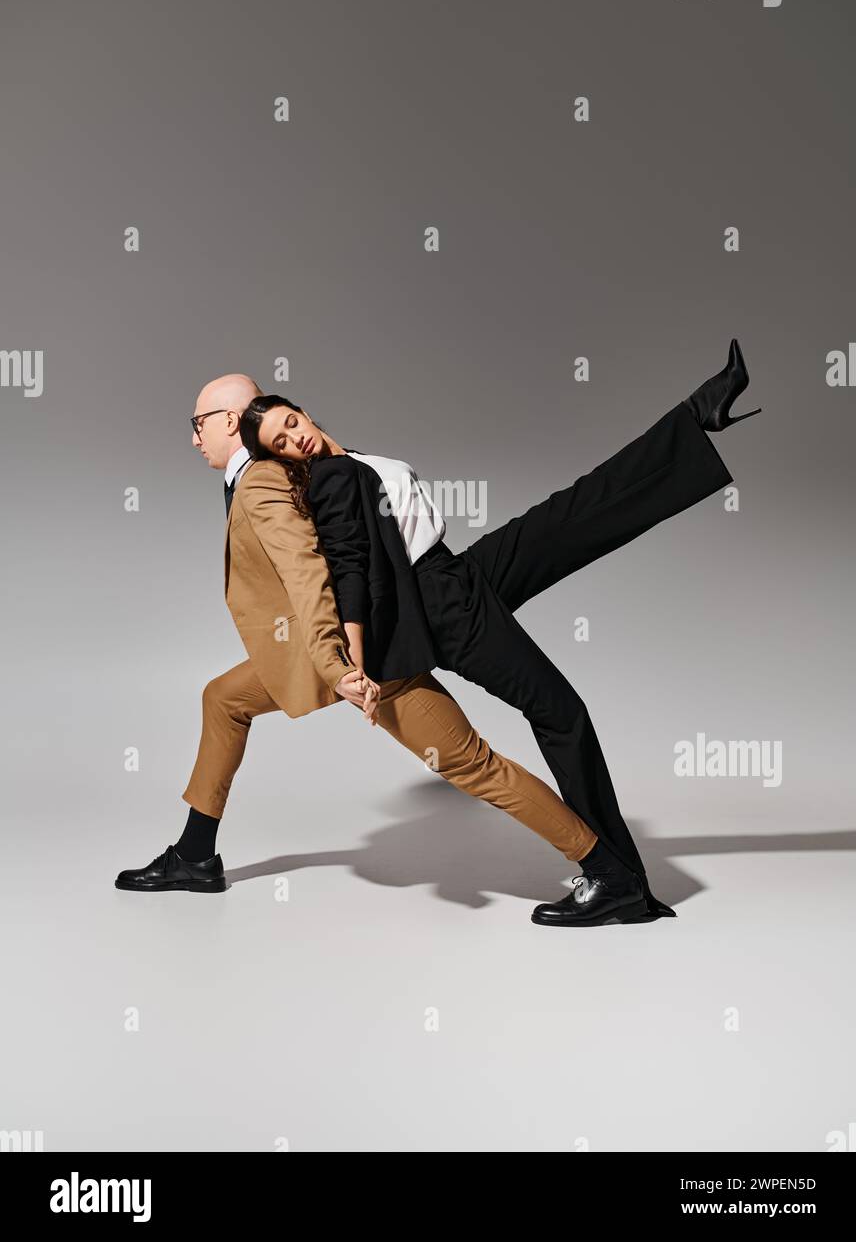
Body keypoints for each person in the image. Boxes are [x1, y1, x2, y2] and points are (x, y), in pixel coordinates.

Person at [239, 339, 762, 925]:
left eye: (289, 423)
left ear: (303, 410)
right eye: (280, 444)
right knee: (561, 711)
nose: (293, 439)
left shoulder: (352, 457)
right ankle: (614, 878)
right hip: (439, 604)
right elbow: (349, 569)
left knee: (570, 514)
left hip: (453, 570)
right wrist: (353, 662)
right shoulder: (332, 478)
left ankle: (695, 419)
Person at [115, 374, 611, 917]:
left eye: (198, 424)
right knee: (224, 698)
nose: (194, 438)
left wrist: (338, 665)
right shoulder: (268, 474)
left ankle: (605, 869)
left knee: (472, 764)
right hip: (319, 650)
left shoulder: (259, 481)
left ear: (229, 421)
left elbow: (309, 574)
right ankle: (194, 855)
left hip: (360, 659)